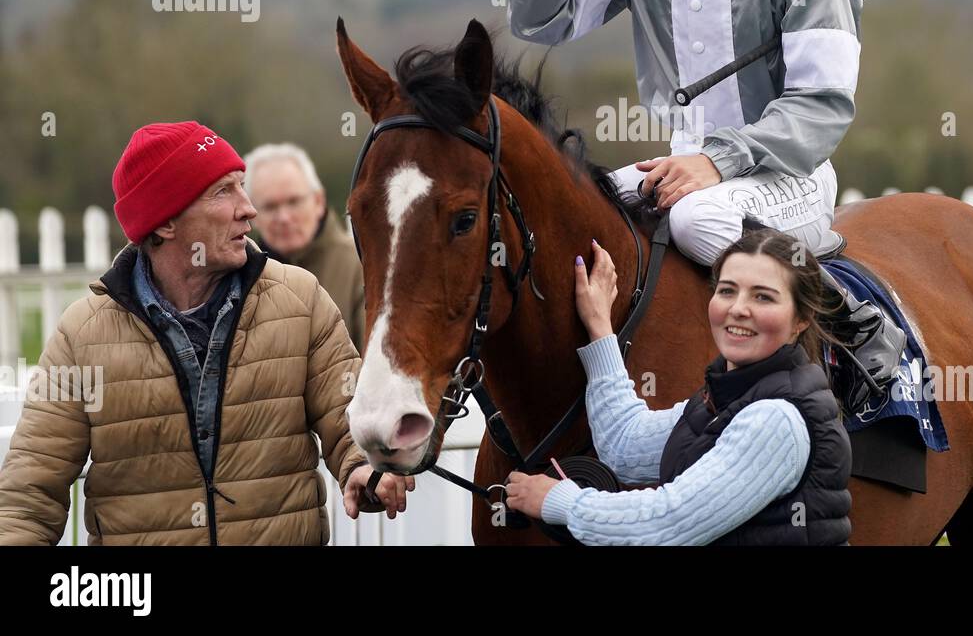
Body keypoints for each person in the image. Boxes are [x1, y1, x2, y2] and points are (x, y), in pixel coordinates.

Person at [506, 0, 905, 387]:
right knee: (579, 210)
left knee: (696, 220)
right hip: (689, 169)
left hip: (788, 177)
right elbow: (539, 18)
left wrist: (717, 162)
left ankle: (847, 319)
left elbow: (821, 106)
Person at [0, 121, 412, 545]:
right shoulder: (82, 335)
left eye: (241, 186)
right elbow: (29, 495)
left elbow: (348, 421)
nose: (249, 208)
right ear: (164, 224)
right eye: (222, 192)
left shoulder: (300, 300)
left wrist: (364, 467)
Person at [504, 227, 852, 545]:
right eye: (727, 291)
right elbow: (624, 445)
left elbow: (665, 525)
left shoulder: (775, 418)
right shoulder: (722, 400)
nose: (738, 309)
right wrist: (600, 329)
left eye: (763, 297)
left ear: (801, 320)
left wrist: (558, 500)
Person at [243, 142, 367, 351]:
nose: (283, 217)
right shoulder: (241, 277)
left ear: (318, 201)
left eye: (293, 202)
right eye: (270, 206)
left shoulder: (362, 263)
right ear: (252, 214)